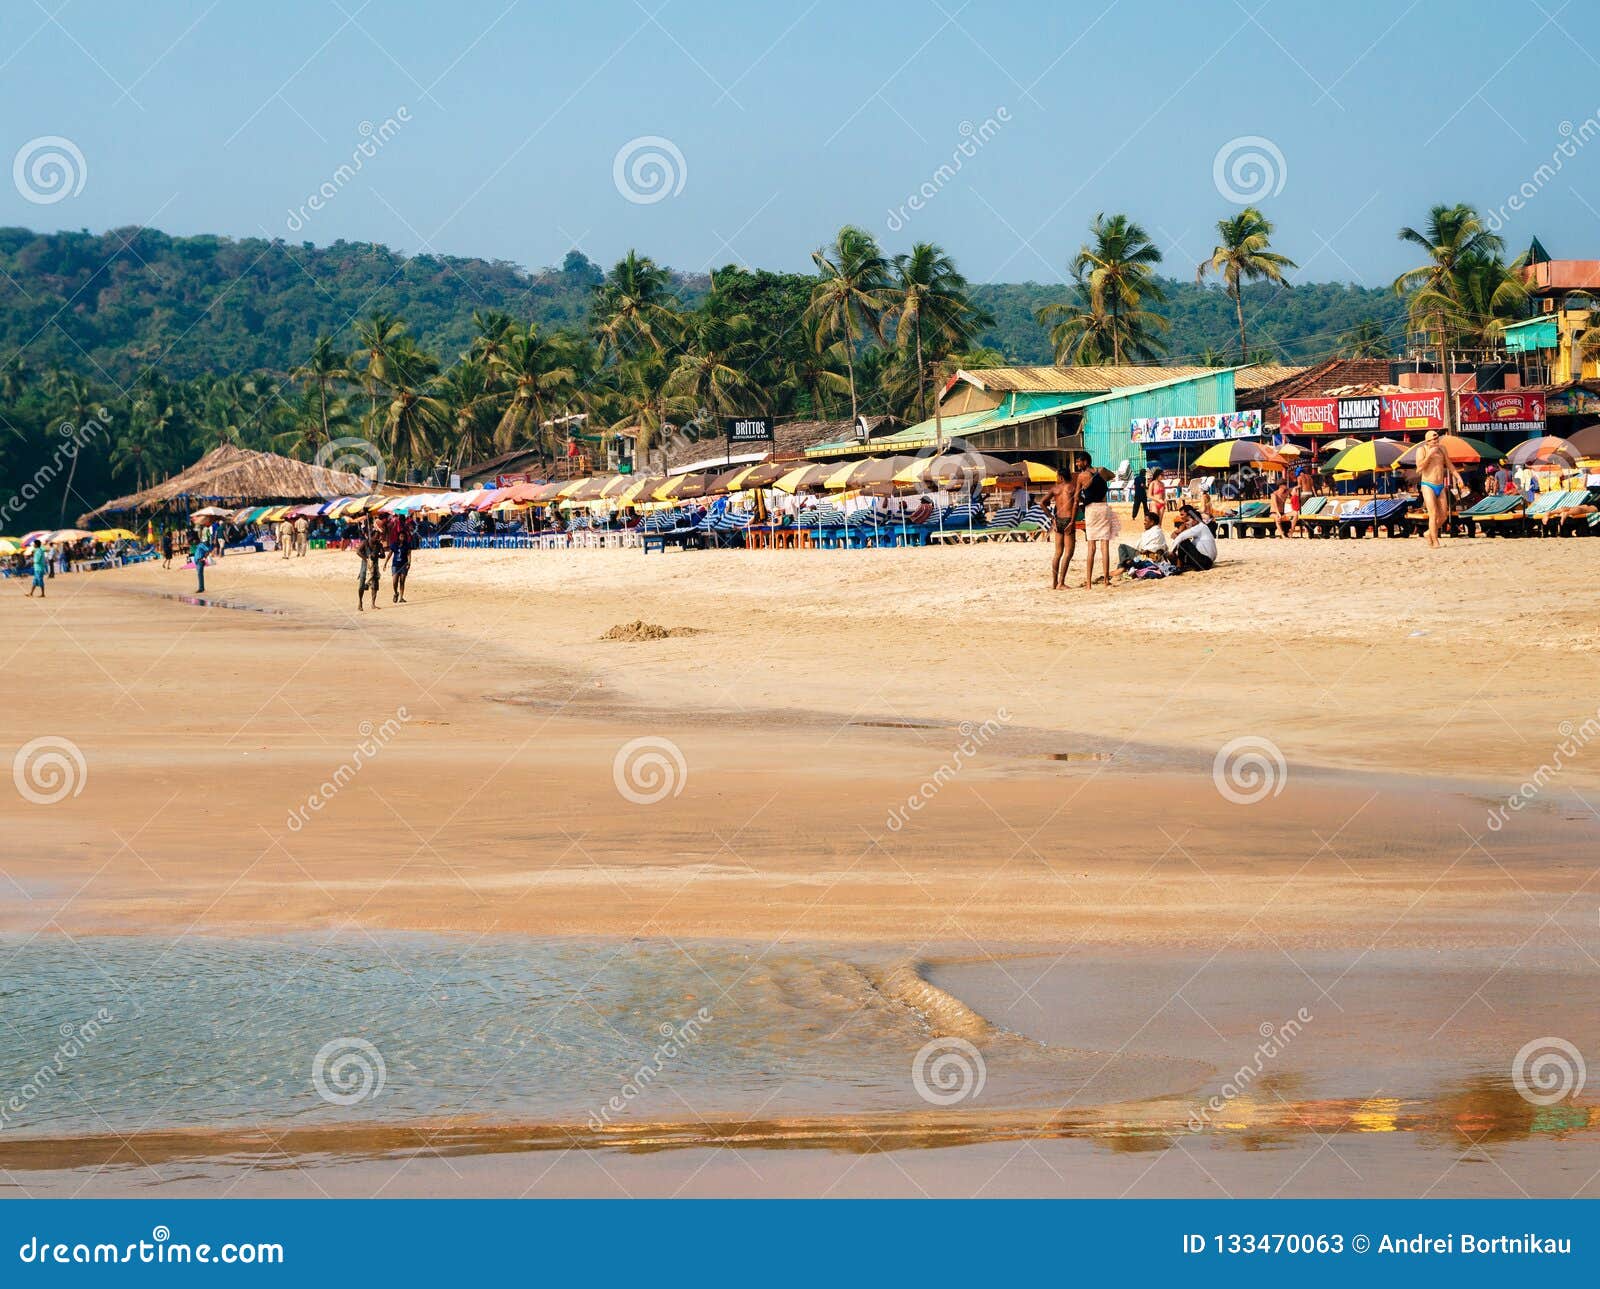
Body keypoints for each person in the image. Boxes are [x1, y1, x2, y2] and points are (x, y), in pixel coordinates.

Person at [1416, 430, 1464, 548]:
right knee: (1433, 514)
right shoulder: (1422, 450)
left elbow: (1449, 465)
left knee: (1443, 515)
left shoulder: (1442, 449)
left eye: (1437, 439)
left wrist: (1458, 477)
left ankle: (1429, 533)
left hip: (1440, 485)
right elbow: (1419, 468)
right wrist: (1429, 455)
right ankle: (1435, 540)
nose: (1436, 441)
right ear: (1428, 441)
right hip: (1427, 484)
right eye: (1434, 439)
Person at [1079, 453, 1120, 589]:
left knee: (1091, 547)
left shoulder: (1081, 476)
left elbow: (1076, 496)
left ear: (1085, 461)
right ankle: (1106, 581)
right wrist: (1099, 474)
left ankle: (1089, 583)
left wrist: (1082, 502)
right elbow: (1112, 476)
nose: (1078, 464)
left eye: (1079, 461)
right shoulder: (1101, 471)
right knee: (1104, 546)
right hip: (1103, 508)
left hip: (1091, 509)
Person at [1045, 465, 1080, 590]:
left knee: (1058, 553)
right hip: (1068, 520)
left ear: (1060, 477)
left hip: (1058, 520)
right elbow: (1076, 504)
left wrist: (1051, 518)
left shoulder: (1055, 489)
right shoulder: (1072, 488)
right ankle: (1061, 582)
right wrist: (1072, 521)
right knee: (1068, 553)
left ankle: (1054, 582)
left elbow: (1042, 503)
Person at [1170, 506, 1217, 572]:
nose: (1186, 523)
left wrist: (1171, 551)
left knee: (1184, 542)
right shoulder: (1202, 527)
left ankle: (1179, 566)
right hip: (1207, 561)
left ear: (1195, 521)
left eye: (1188, 520)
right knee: (1184, 544)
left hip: (1205, 562)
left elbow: (1181, 537)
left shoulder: (1199, 527)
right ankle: (1181, 564)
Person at [357, 521, 384, 611]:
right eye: (375, 537)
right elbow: (358, 552)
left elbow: (383, 555)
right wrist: (366, 559)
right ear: (371, 536)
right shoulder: (365, 543)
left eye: (378, 537)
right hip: (365, 567)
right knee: (361, 586)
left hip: (375, 567)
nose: (377, 539)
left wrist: (377, 555)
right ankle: (360, 602)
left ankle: (373, 603)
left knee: (375, 586)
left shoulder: (379, 545)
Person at [391, 517, 413, 603]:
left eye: (403, 537)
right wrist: (385, 563)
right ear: (398, 537)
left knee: (402, 581)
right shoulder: (394, 544)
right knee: (394, 581)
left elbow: (409, 553)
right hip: (395, 565)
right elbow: (390, 554)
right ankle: (396, 593)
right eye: (401, 536)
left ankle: (401, 597)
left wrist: (409, 563)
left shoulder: (407, 545)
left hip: (404, 564)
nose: (402, 538)